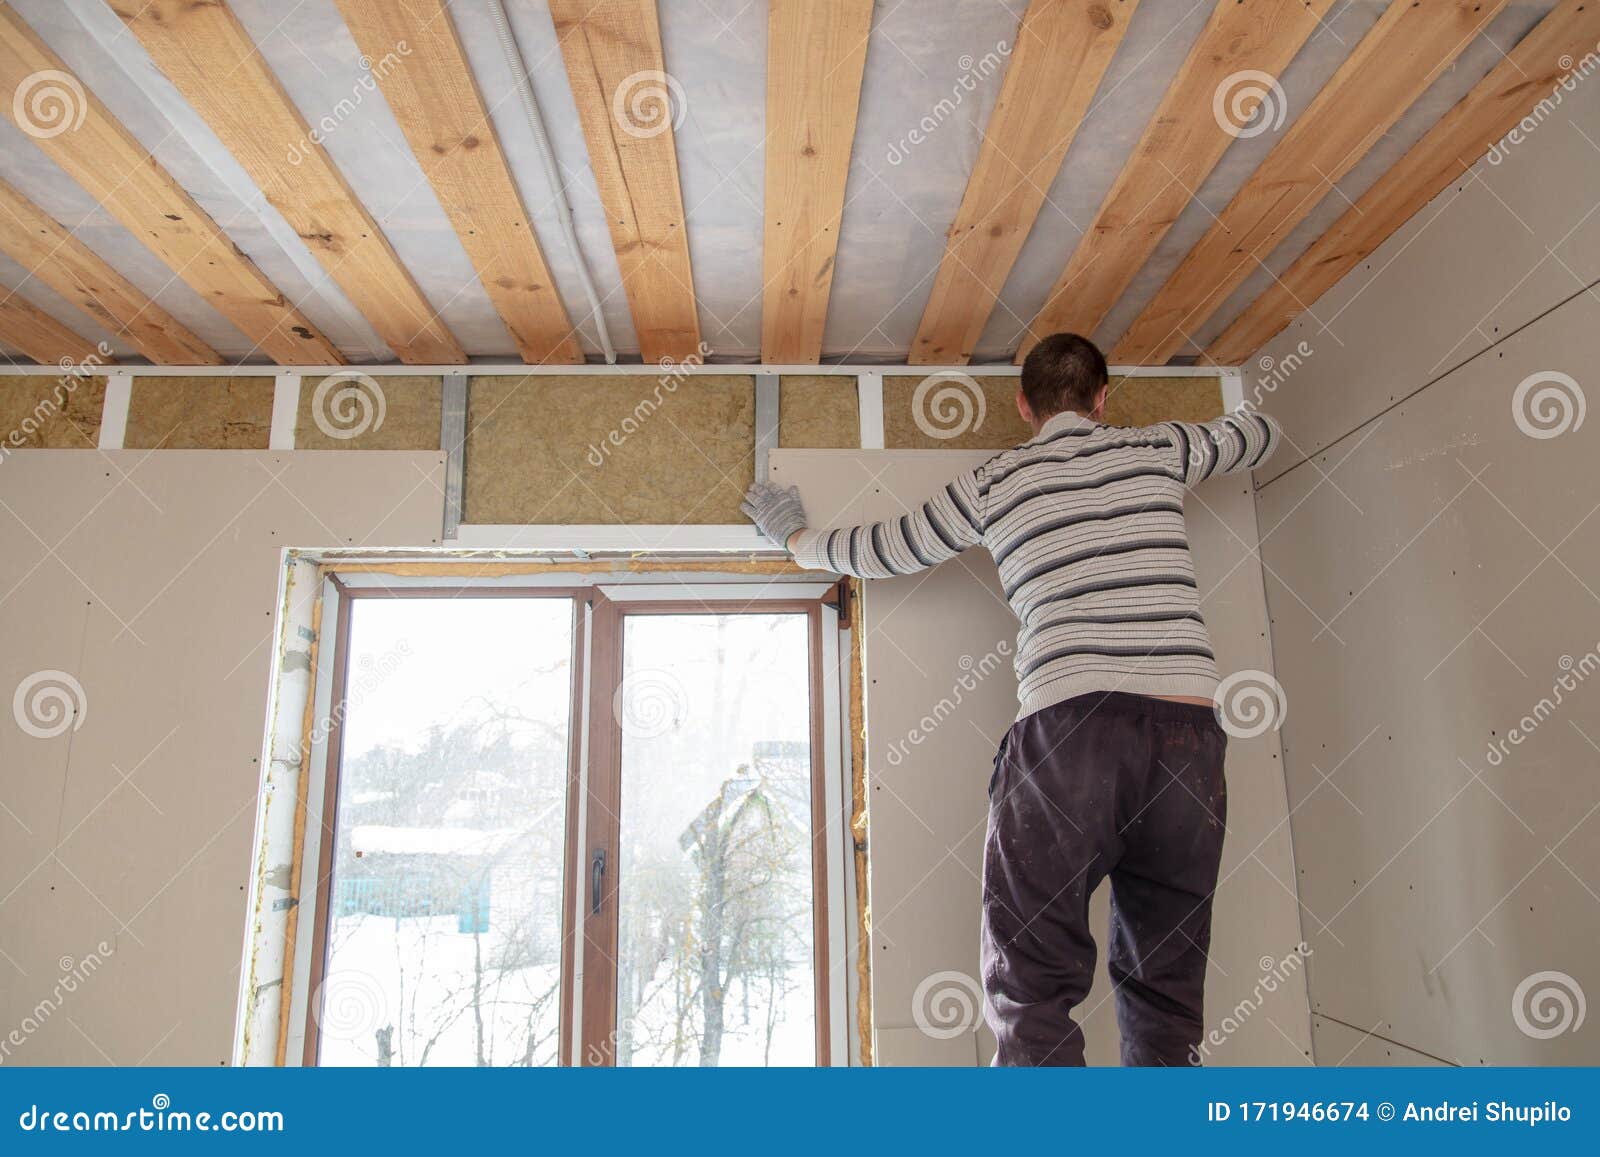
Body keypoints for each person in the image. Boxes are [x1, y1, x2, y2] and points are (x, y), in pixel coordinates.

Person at [740, 332, 1282, 1066]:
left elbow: (884, 549)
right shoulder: (1160, 448)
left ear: (1023, 405)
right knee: (1168, 989)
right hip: (1187, 738)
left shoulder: (996, 481)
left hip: (1070, 733)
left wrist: (795, 536)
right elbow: (1259, 432)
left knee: (1031, 981)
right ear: (1101, 398)